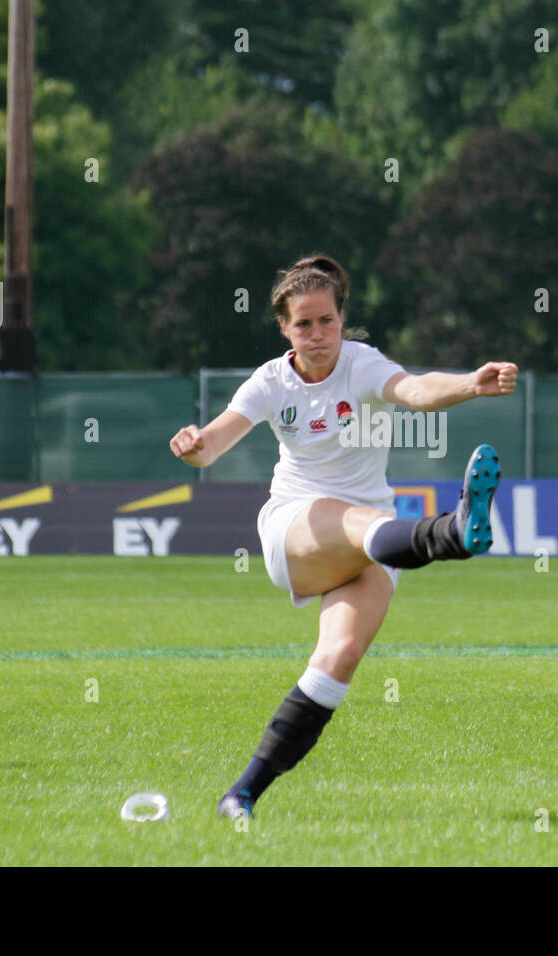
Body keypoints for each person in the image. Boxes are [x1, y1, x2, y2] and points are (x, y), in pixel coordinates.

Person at [168, 254, 518, 821]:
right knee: (351, 518)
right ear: (284, 328)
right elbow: (212, 445)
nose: (317, 334)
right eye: (303, 324)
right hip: (296, 529)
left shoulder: (361, 364)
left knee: (340, 657)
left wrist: (468, 385)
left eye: (326, 321)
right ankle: (450, 533)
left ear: (340, 319)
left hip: (373, 537)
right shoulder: (270, 381)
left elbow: (416, 390)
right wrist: (191, 445)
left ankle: (242, 795)